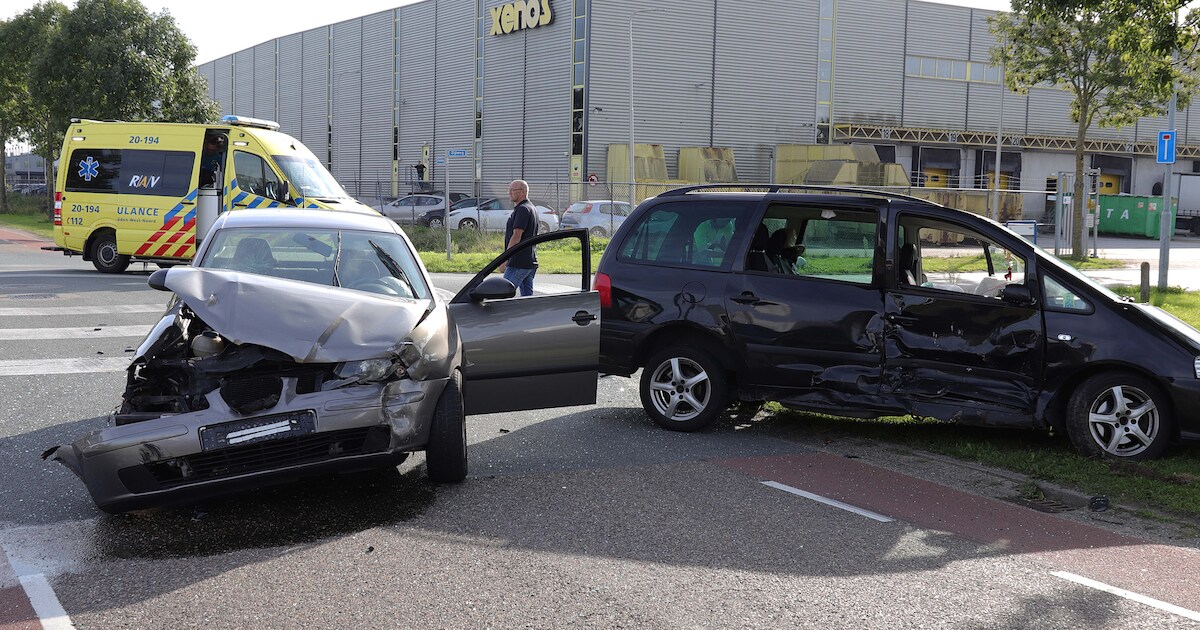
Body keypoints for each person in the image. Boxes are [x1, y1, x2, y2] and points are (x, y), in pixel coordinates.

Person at [497, 179, 538, 296]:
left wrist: (505, 258)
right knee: (526, 299)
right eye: (509, 190)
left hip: (518, 263)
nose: (509, 193)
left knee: (502, 293)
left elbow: (517, 236)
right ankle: (531, 314)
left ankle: (500, 315)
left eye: (512, 190)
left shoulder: (523, 209)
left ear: (522, 192)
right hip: (528, 261)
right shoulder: (531, 208)